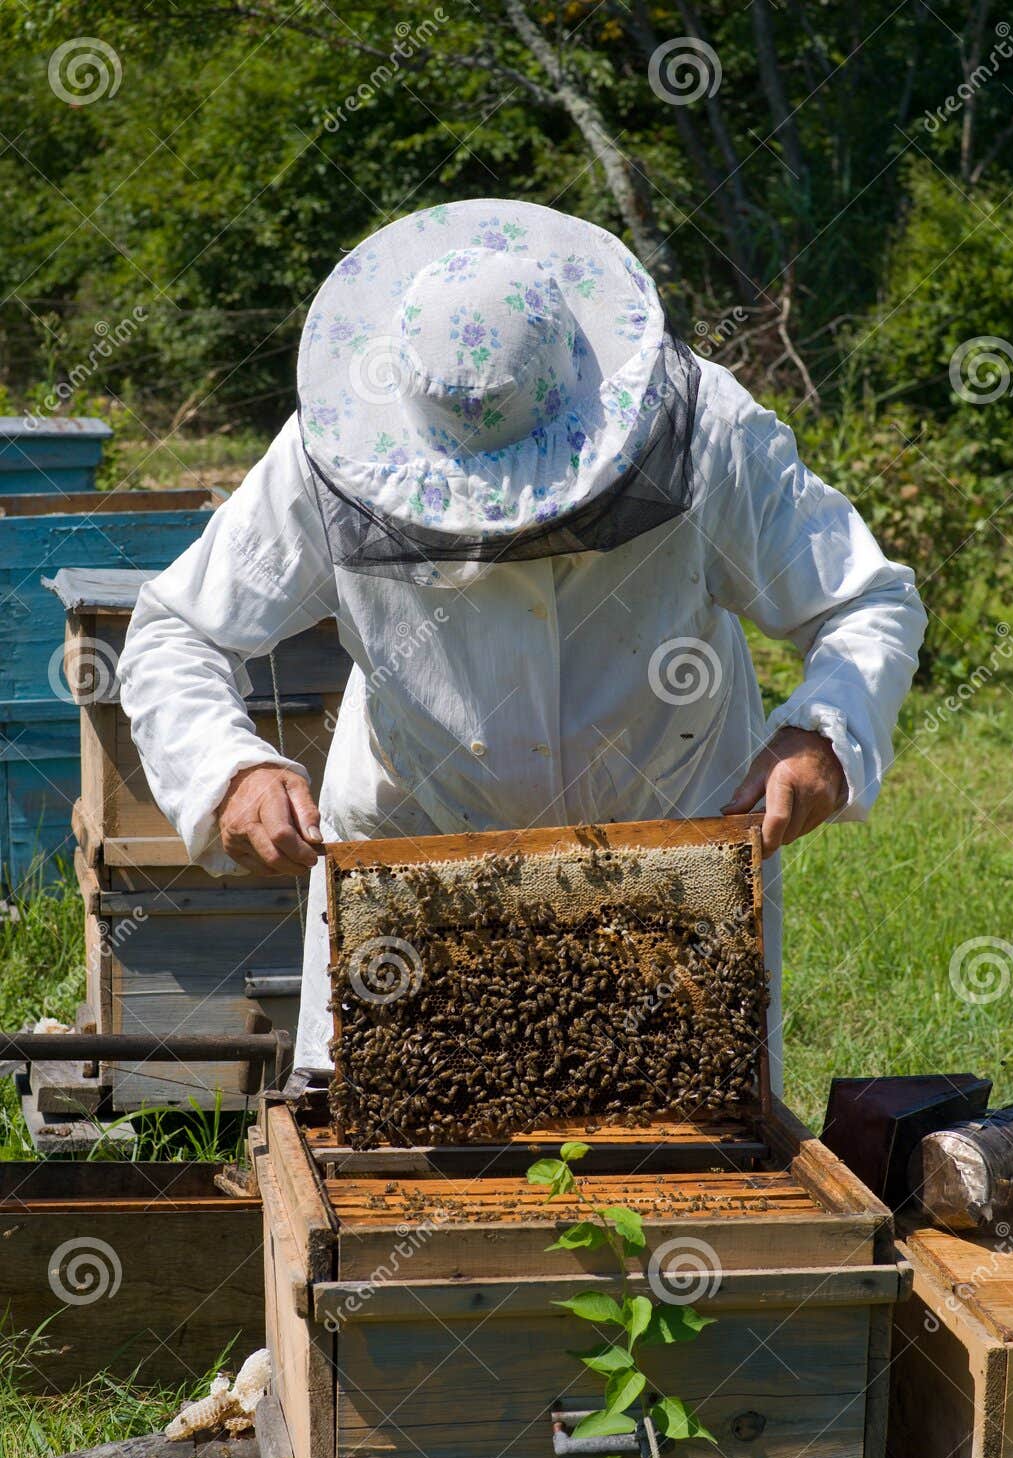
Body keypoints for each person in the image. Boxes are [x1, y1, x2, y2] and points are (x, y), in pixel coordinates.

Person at [119, 197, 926, 1089]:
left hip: (674, 872)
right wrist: (228, 770)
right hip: (414, 870)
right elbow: (175, 631)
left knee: (683, 1149)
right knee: (405, 1152)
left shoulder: (707, 431)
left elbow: (864, 599)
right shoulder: (326, 459)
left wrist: (821, 736)